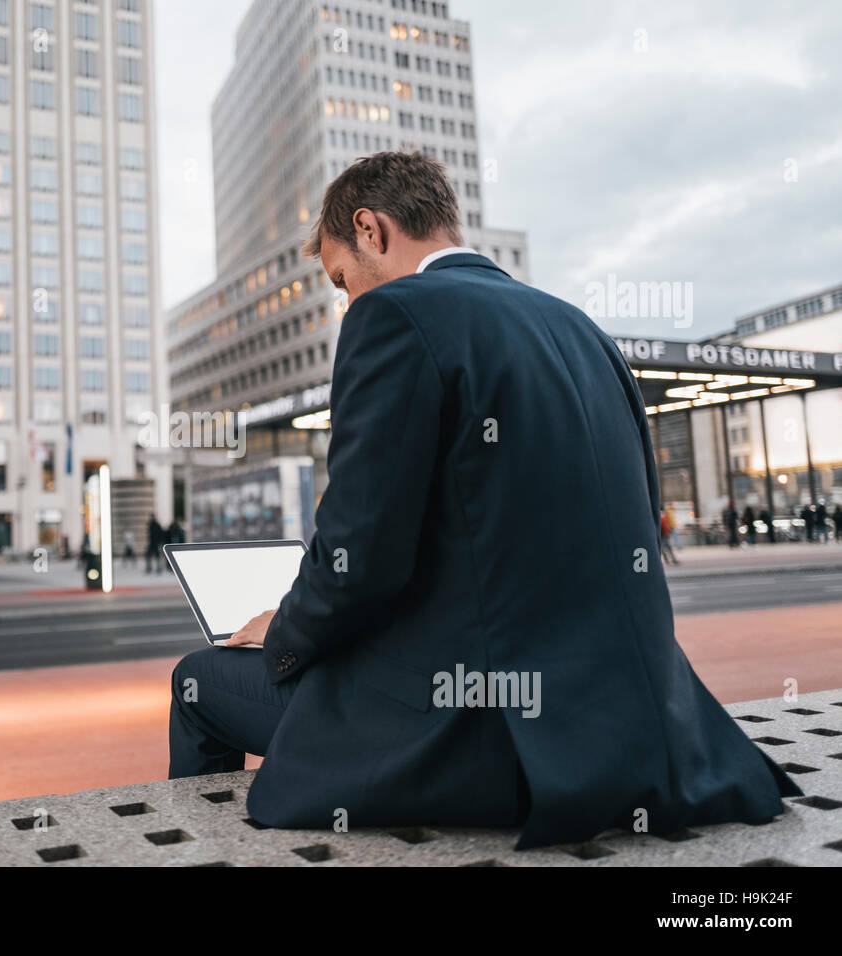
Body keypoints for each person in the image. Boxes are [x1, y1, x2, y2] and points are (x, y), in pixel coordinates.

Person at [167, 151, 798, 850]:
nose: (349, 303)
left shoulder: (393, 317)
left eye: (342, 282)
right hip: (639, 729)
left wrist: (282, 634)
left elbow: (359, 559)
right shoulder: (583, 330)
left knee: (199, 681)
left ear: (371, 229)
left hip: (474, 735)